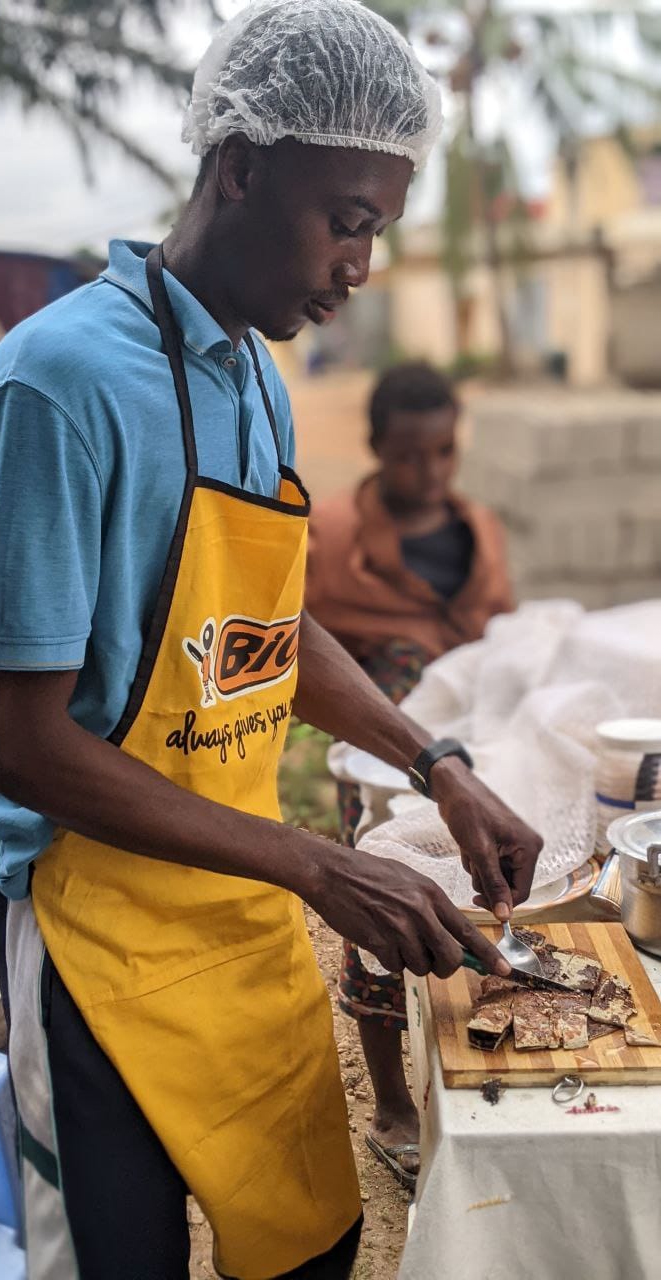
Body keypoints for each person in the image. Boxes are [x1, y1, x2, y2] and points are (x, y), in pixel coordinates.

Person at [0, 3, 541, 1278]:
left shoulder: (253, 376)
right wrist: (321, 866)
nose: (359, 268)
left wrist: (434, 760)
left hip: (244, 902)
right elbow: (19, 742)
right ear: (236, 166)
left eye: (377, 231)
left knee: (310, 1247)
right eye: (347, 220)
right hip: (94, 928)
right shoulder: (56, 382)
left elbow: (267, 624)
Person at [305, 361, 514, 1188]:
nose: (429, 472)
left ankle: (484, 1051)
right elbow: (303, 648)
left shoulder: (480, 531)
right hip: (380, 761)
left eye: (444, 453)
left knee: (484, 896)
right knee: (380, 914)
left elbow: (503, 645)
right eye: (410, 456)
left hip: (466, 756)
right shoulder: (330, 536)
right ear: (376, 449)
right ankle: (392, 1099)